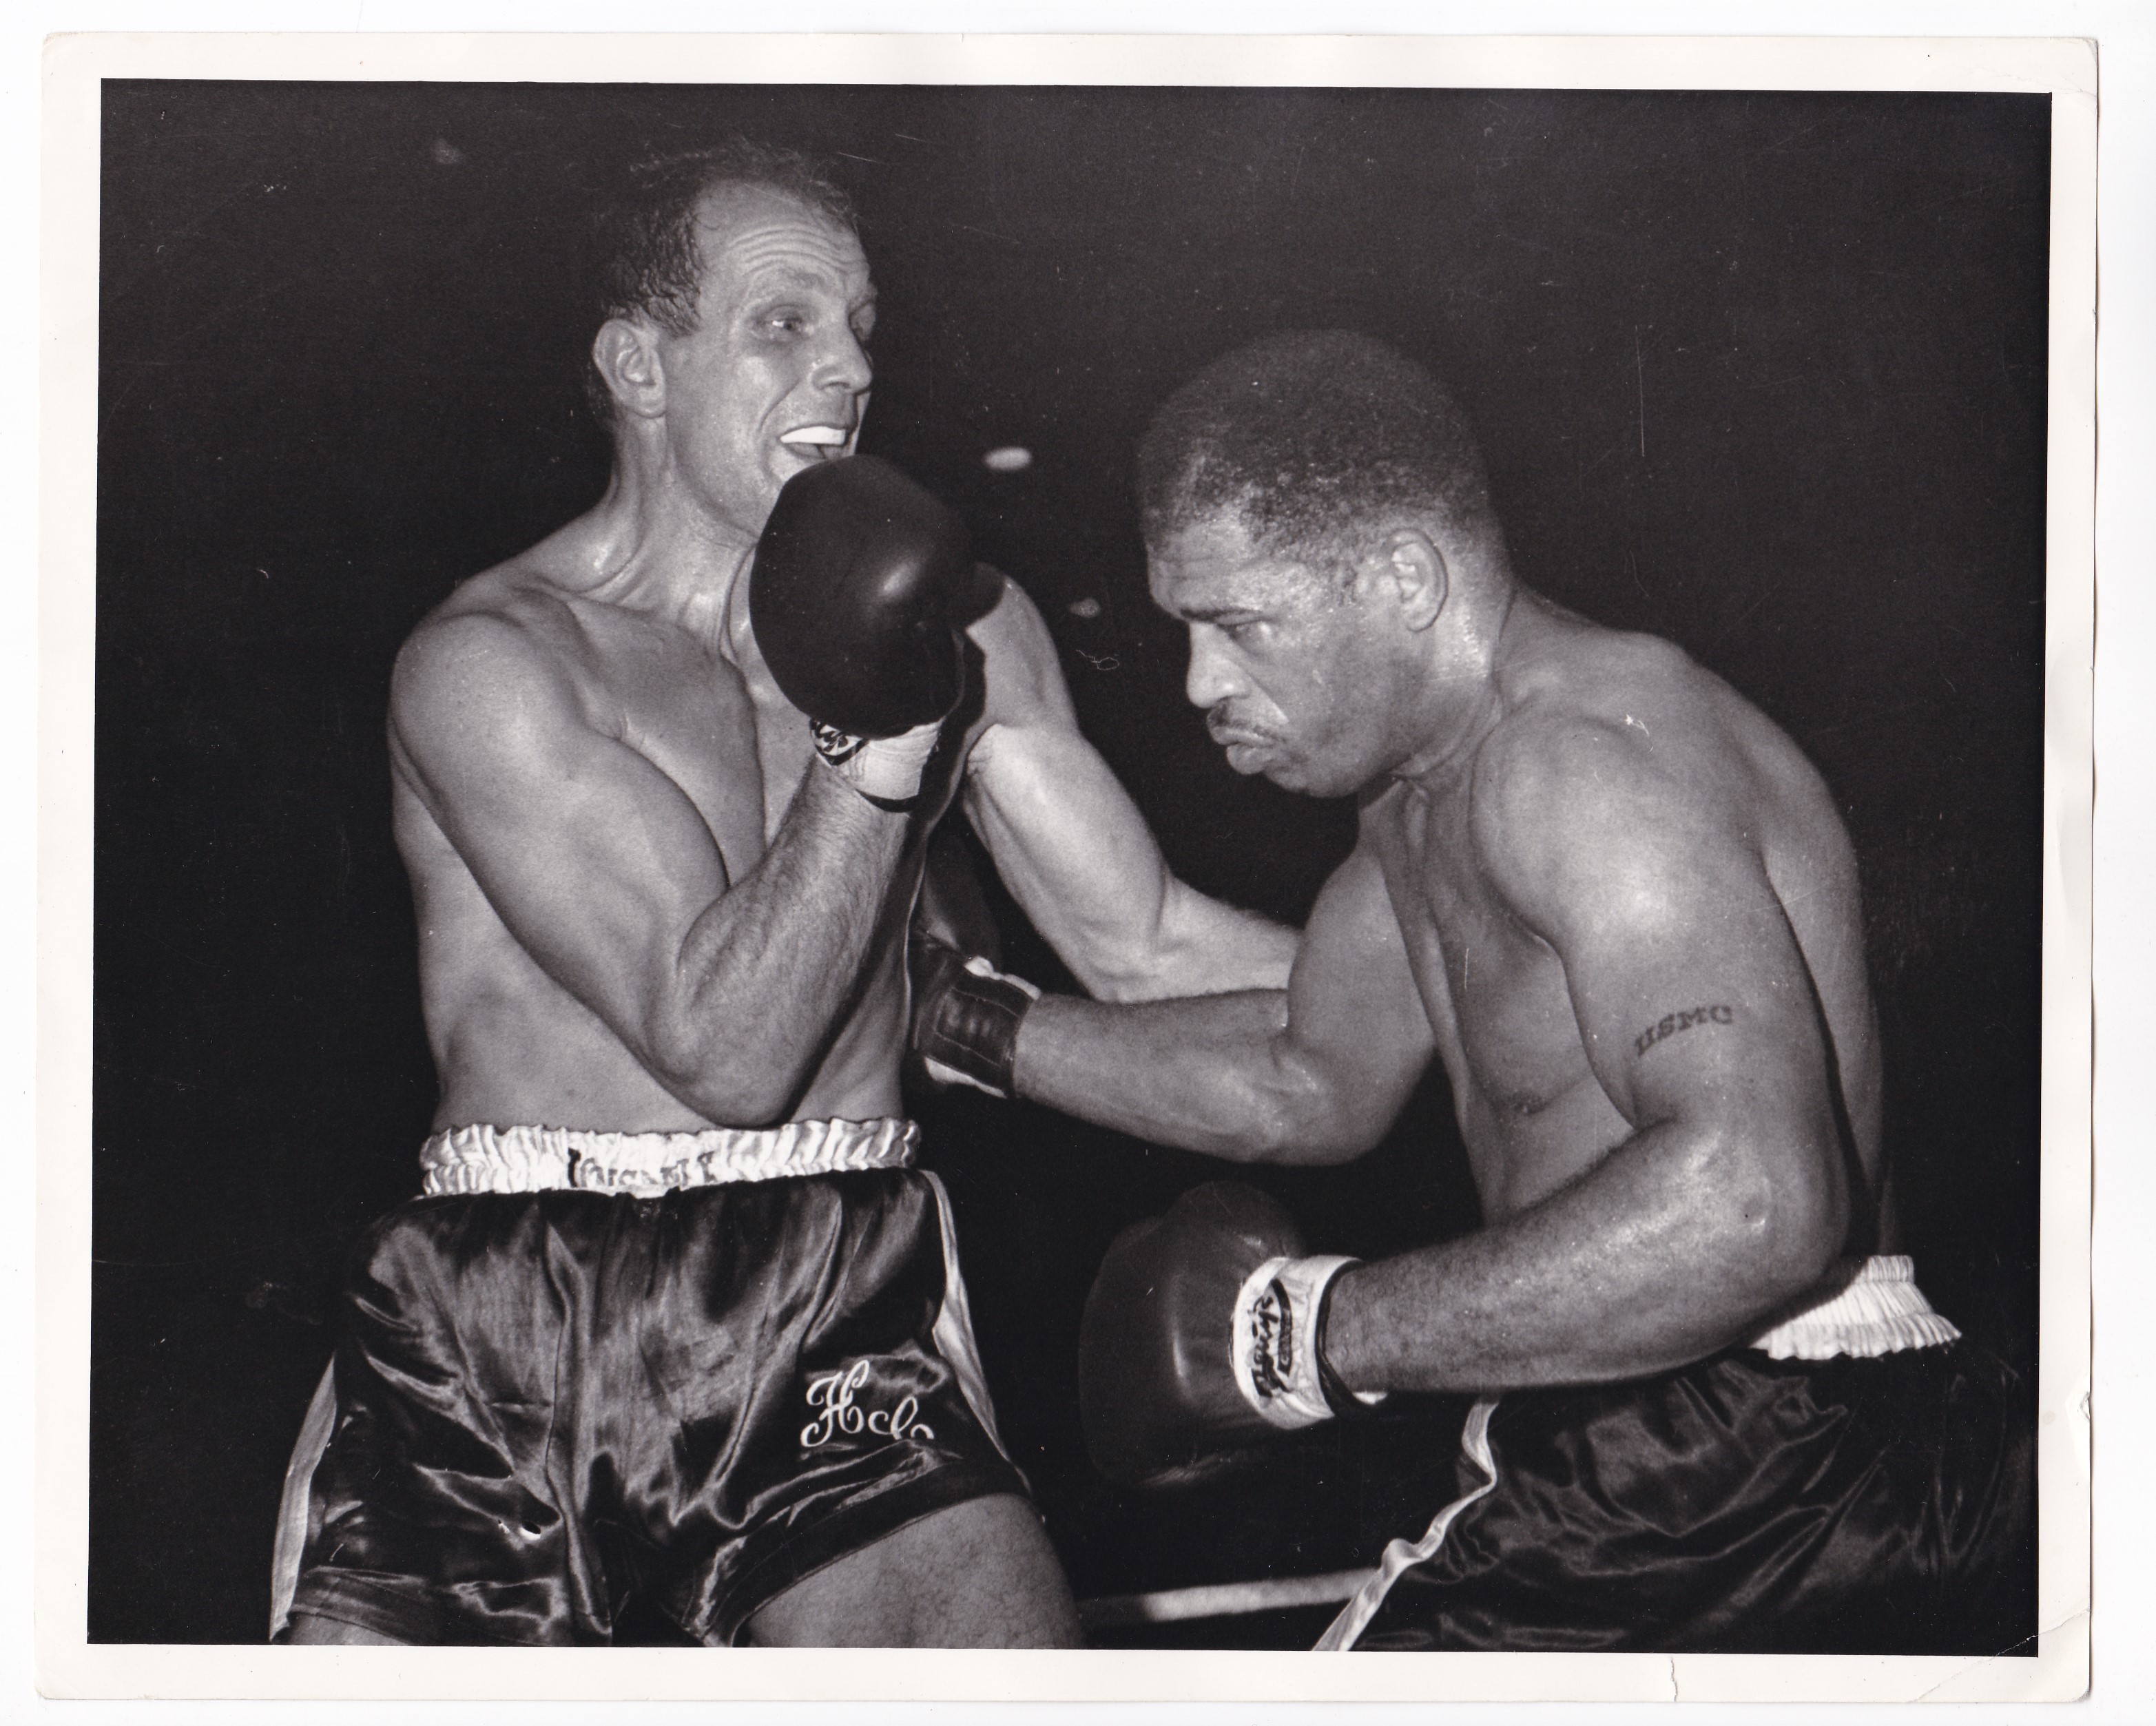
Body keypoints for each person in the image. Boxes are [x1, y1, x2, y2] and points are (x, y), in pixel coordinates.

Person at [267, 141, 1294, 1650]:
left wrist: (1470, 978)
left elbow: (1144, 943)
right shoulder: (495, 659)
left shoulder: (973, 625)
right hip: (496, 1335)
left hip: (832, 1307)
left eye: (860, 326)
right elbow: (721, 1043)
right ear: (637, 363)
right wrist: (876, 747)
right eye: (783, 324)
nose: (847, 370)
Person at [916, 330, 2033, 1653]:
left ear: (1402, 576)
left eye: (1238, 624)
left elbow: (1755, 1202)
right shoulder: (1424, 794)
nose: (1201, 681)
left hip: (1720, 1431)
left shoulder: (1575, 764)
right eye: (1185, 629)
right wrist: (960, 1022)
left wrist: (1311, 1335)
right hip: (1777, 1436)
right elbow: (1304, 1068)